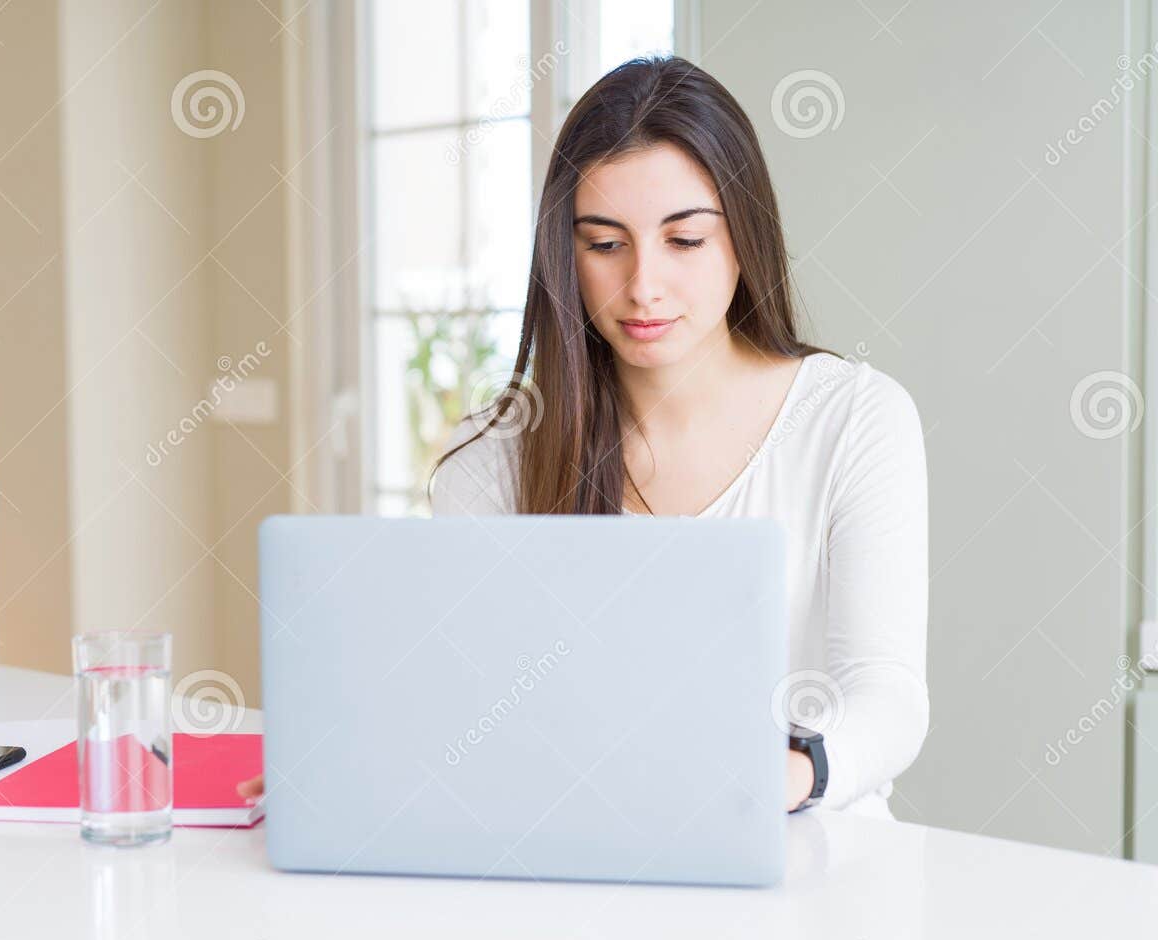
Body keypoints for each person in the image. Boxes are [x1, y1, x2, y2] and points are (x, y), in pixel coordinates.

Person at [242, 55, 929, 818]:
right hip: (582, 857)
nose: (642, 285)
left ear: (744, 237)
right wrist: (364, 750)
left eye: (684, 241)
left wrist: (783, 777)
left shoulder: (855, 419)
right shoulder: (497, 455)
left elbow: (889, 694)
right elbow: (477, 702)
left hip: (812, 853)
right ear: (563, 256)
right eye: (605, 244)